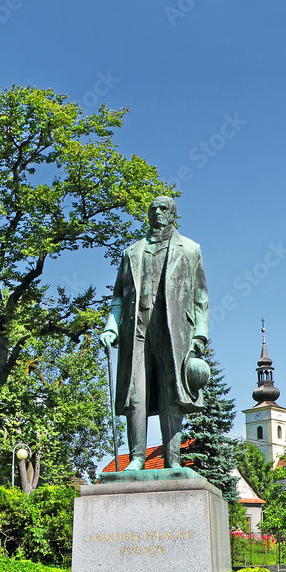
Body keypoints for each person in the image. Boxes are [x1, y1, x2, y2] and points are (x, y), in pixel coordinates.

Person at [100, 196, 210, 470]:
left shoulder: (190, 249)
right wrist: (111, 326)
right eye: (153, 209)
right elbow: (118, 297)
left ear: (173, 214)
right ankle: (137, 458)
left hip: (174, 331)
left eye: (164, 209)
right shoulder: (132, 252)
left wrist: (199, 335)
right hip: (136, 330)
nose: (158, 213)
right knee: (135, 393)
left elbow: (200, 298)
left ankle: (173, 460)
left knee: (171, 392)